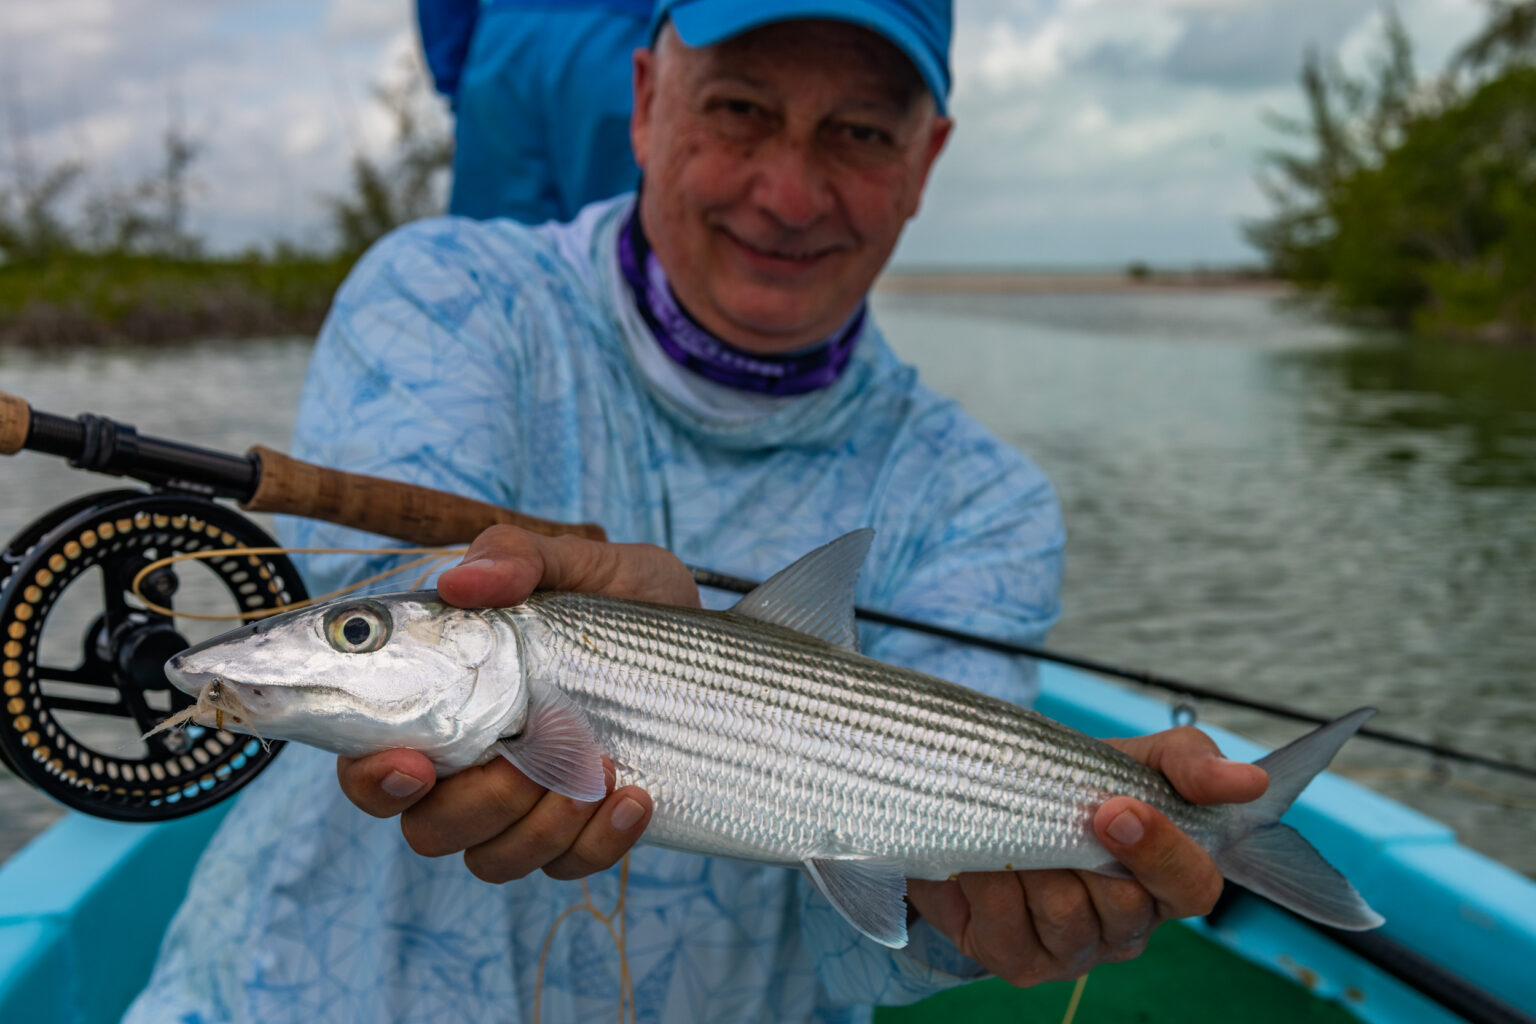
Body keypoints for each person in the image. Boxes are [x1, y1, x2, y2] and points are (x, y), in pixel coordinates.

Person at [125, 2, 1268, 1021]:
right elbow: (375, 606)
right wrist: (369, 625)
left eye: (860, 134)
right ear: (644, 101)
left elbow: (863, 945)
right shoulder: (446, 294)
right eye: (739, 110)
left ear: (928, 162)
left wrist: (961, 918)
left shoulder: (983, 499)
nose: (785, 192)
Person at [418, 0, 652, 221]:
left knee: (501, 252)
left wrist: (455, 73)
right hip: (622, 36)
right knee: (632, 242)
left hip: (502, 45)